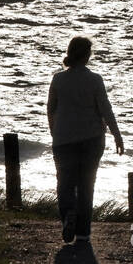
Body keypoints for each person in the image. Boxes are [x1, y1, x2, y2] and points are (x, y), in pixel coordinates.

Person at [47, 36, 124, 243]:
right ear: (87, 55)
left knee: (64, 182)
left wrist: (55, 132)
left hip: (63, 139)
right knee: (86, 184)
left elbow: (51, 109)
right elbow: (105, 110)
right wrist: (117, 135)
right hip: (91, 139)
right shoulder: (95, 80)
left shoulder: (58, 79)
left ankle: (68, 214)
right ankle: (82, 232)